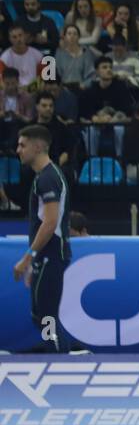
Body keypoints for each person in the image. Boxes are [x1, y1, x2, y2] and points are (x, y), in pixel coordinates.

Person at [14, 124, 73, 353]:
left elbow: (49, 223)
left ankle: (60, 359)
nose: (18, 150)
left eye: (22, 145)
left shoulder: (48, 179)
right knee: (42, 316)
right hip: (46, 257)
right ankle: (59, 354)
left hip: (50, 255)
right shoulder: (46, 177)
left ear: (38, 146)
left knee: (46, 317)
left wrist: (28, 258)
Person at [78, 54, 132, 156]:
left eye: (110, 67)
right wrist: (96, 119)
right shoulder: (90, 91)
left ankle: (119, 160)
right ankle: (92, 160)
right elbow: (85, 114)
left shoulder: (121, 88)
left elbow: (127, 111)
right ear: (97, 71)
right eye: (104, 67)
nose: (108, 70)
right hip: (97, 124)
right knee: (90, 131)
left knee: (119, 129)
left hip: (117, 122)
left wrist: (113, 119)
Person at [55, 24, 98, 91]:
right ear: (64, 37)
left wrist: (84, 85)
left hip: (81, 88)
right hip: (63, 89)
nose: (72, 36)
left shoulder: (86, 52)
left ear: (79, 37)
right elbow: (57, 74)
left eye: (75, 34)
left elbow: (91, 75)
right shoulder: (59, 53)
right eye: (69, 34)